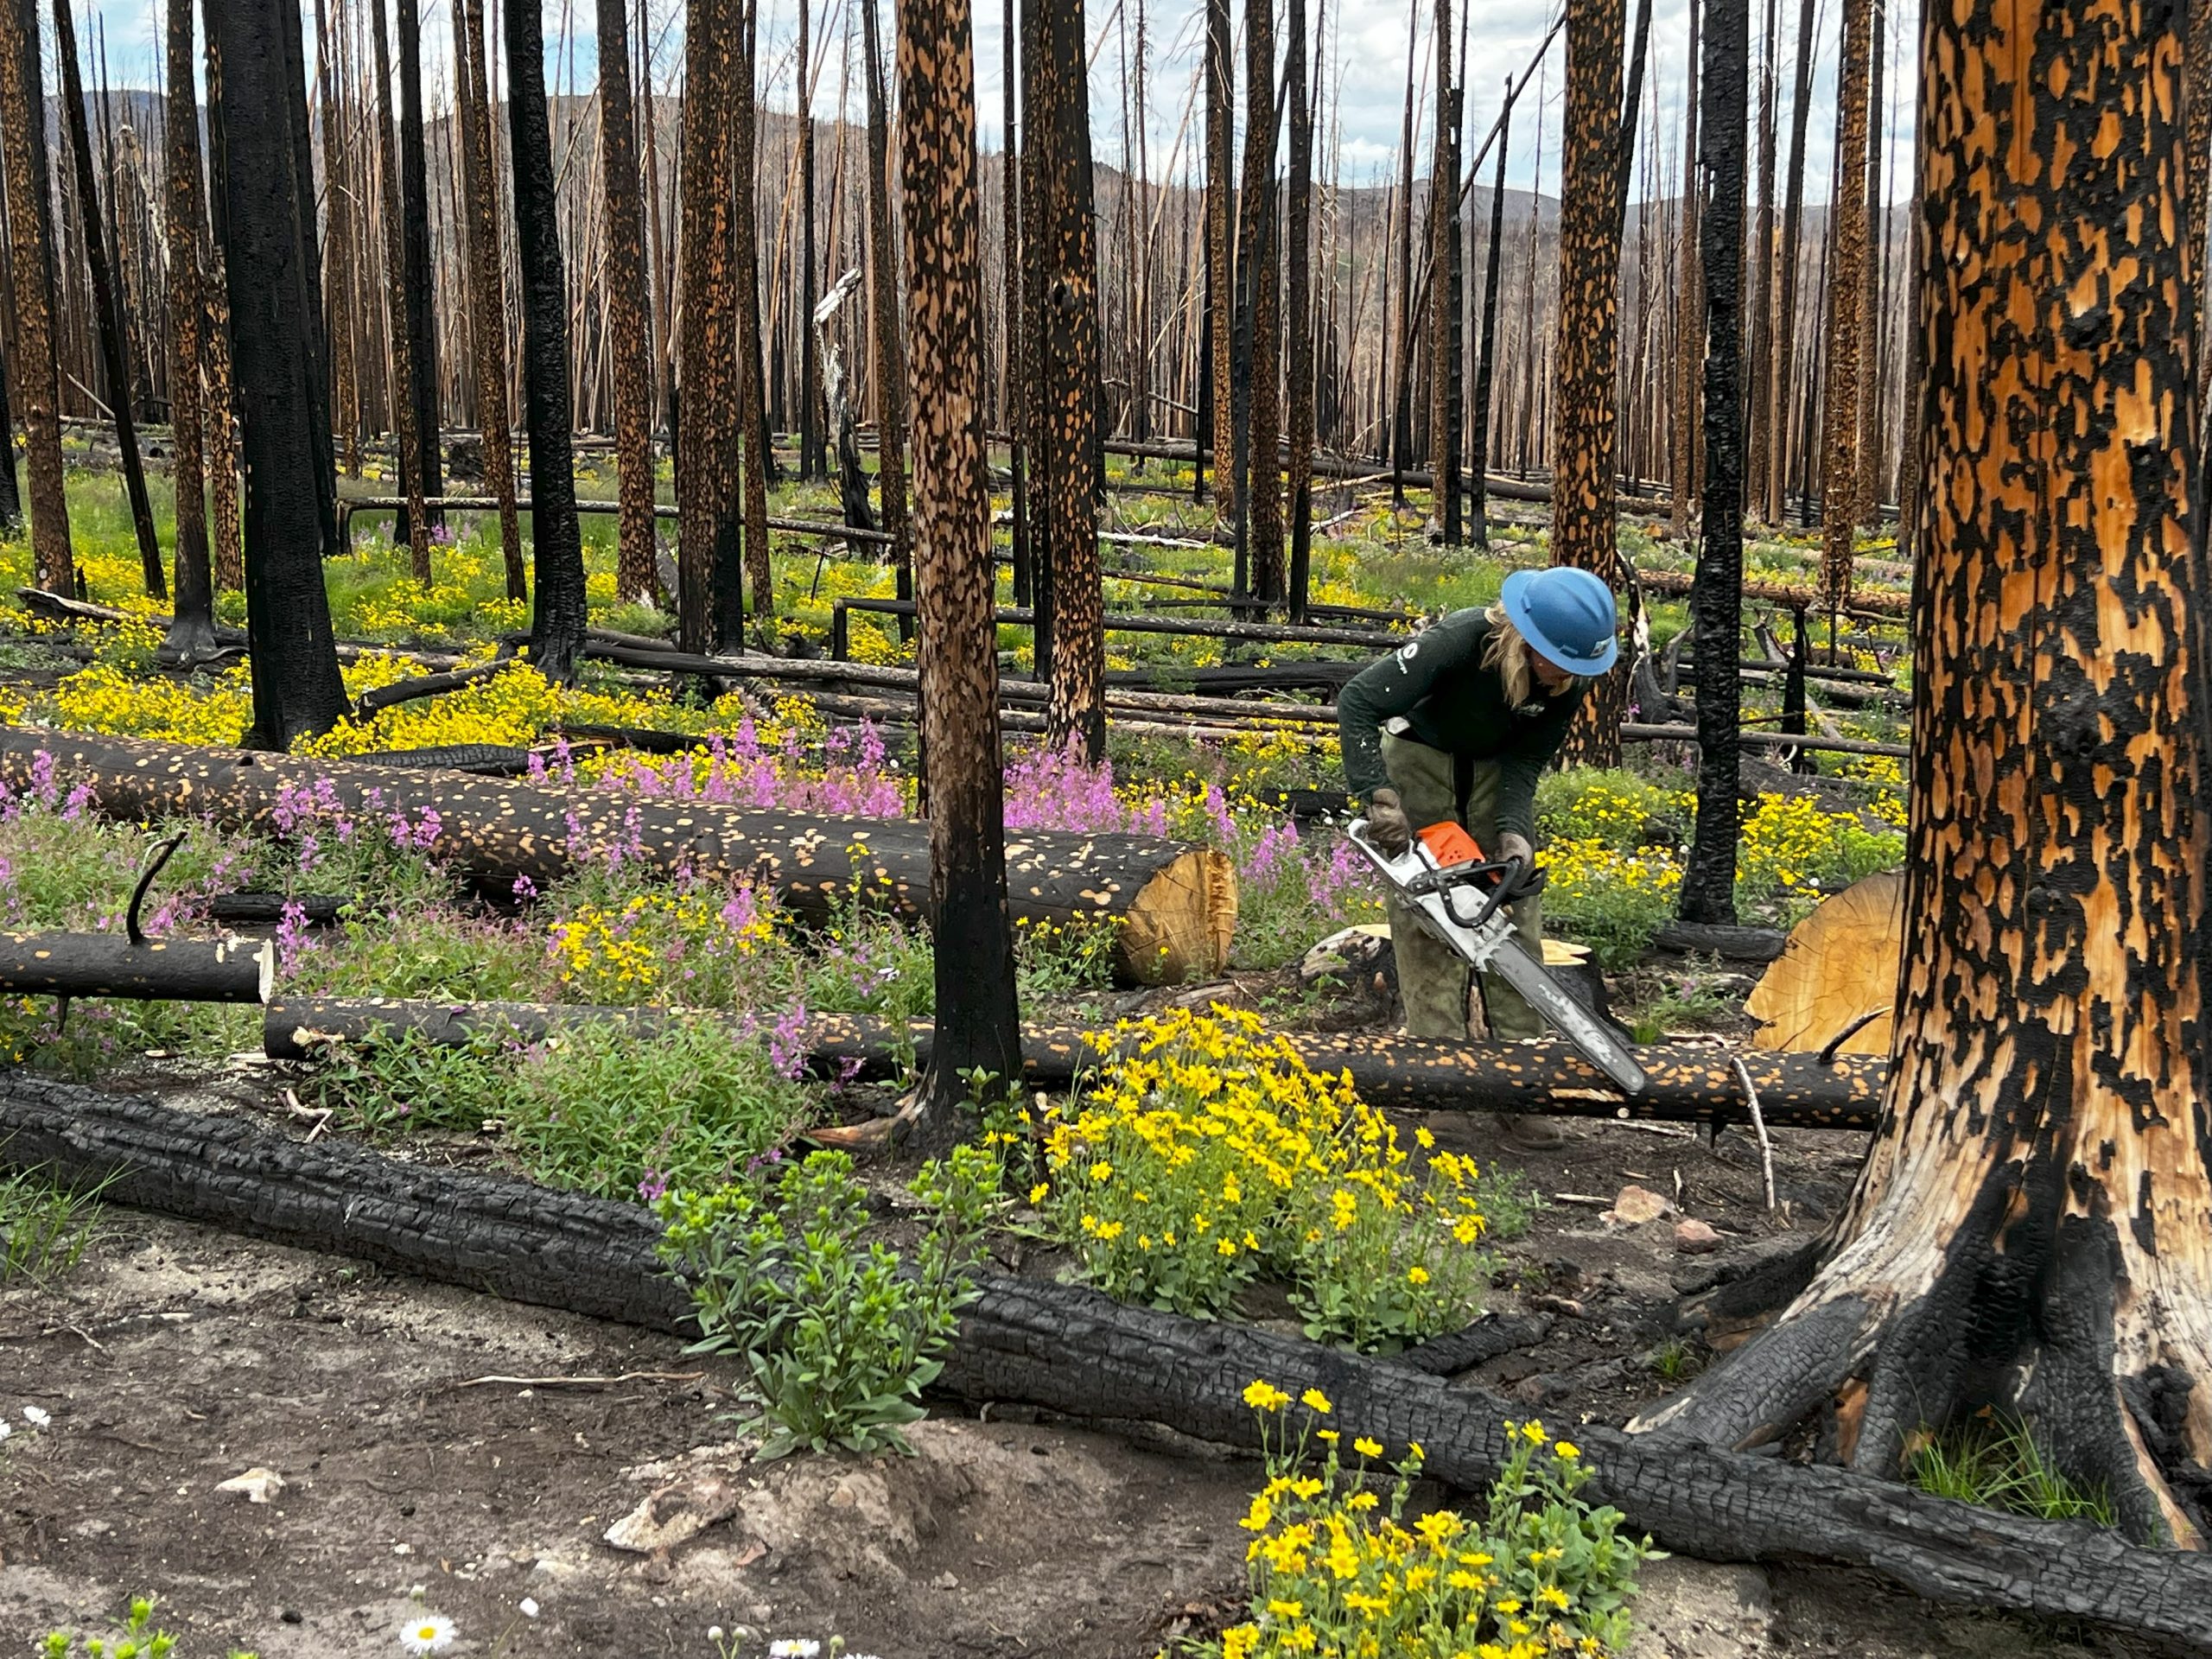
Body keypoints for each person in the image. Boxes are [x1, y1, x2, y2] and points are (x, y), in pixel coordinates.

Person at [1338, 565, 1620, 1048]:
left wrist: (1514, 829)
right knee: (1428, 907)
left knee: (1511, 901)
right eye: (1558, 663)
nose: (1566, 676)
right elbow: (1358, 702)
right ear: (1526, 640)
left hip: (1493, 771)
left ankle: (1521, 1056)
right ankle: (1440, 1059)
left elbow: (1527, 758)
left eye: (1576, 669)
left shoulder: (1568, 678)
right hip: (1420, 760)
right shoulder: (1460, 641)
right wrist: (1381, 798)